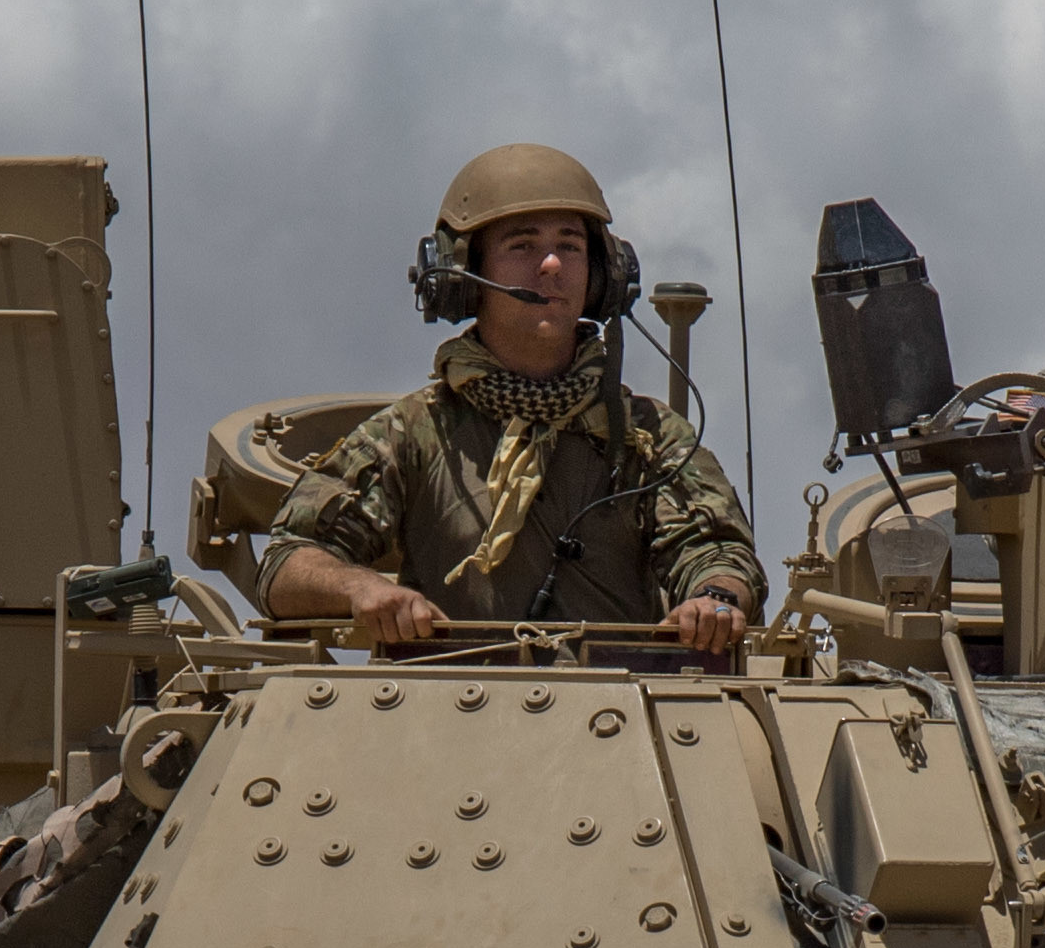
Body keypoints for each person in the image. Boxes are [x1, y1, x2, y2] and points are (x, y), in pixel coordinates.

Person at [262, 144, 760, 650]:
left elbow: (717, 552)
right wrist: (362, 588)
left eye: (570, 246)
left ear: (603, 273)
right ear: (462, 273)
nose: (550, 264)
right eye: (522, 246)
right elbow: (287, 563)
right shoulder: (414, 432)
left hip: (620, 711)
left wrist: (713, 598)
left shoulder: (647, 435)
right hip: (445, 717)